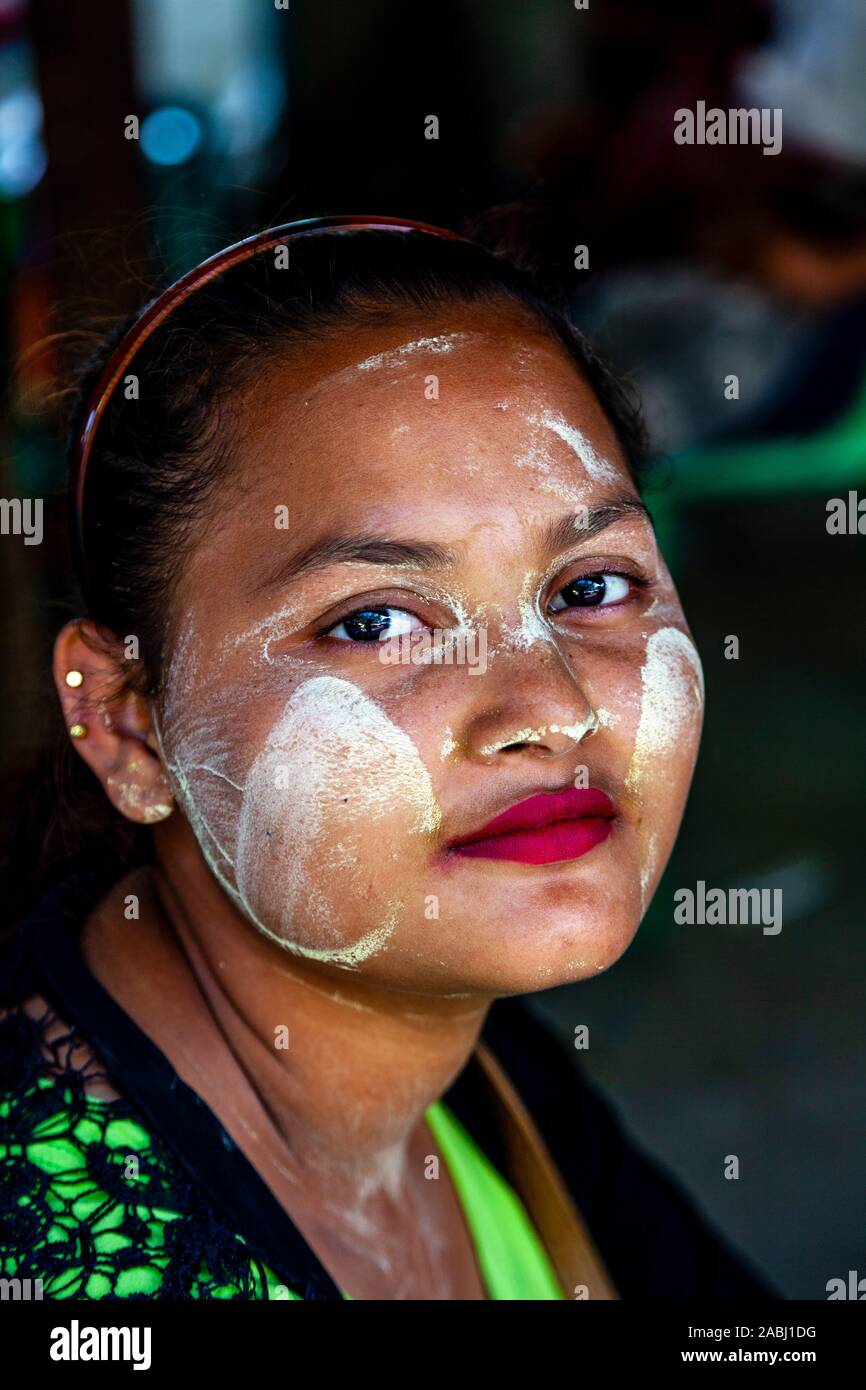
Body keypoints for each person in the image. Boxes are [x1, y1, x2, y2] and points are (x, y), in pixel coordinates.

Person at [0, 216, 779, 1301]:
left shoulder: (486, 1077)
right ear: (133, 724)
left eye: (588, 587)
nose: (548, 709)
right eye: (374, 622)